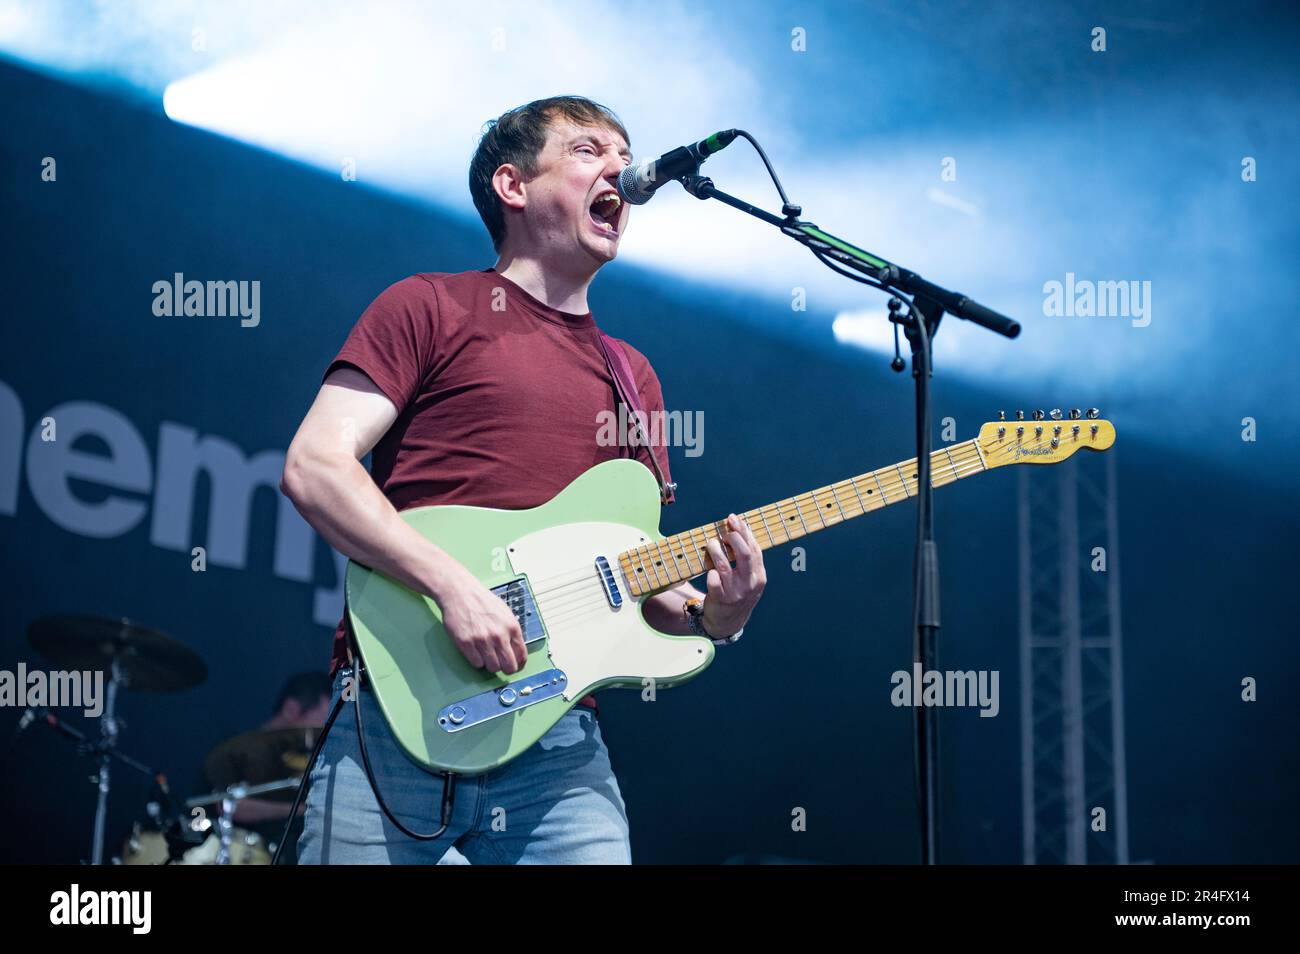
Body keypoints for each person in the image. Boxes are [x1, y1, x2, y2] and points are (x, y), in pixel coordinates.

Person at [280, 95, 766, 865]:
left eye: (624, 151)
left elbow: (639, 581)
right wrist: (452, 585)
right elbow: (315, 466)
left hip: (559, 745)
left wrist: (718, 616)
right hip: (399, 709)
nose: (621, 169)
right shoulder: (428, 307)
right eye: (588, 151)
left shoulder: (633, 376)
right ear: (513, 187)